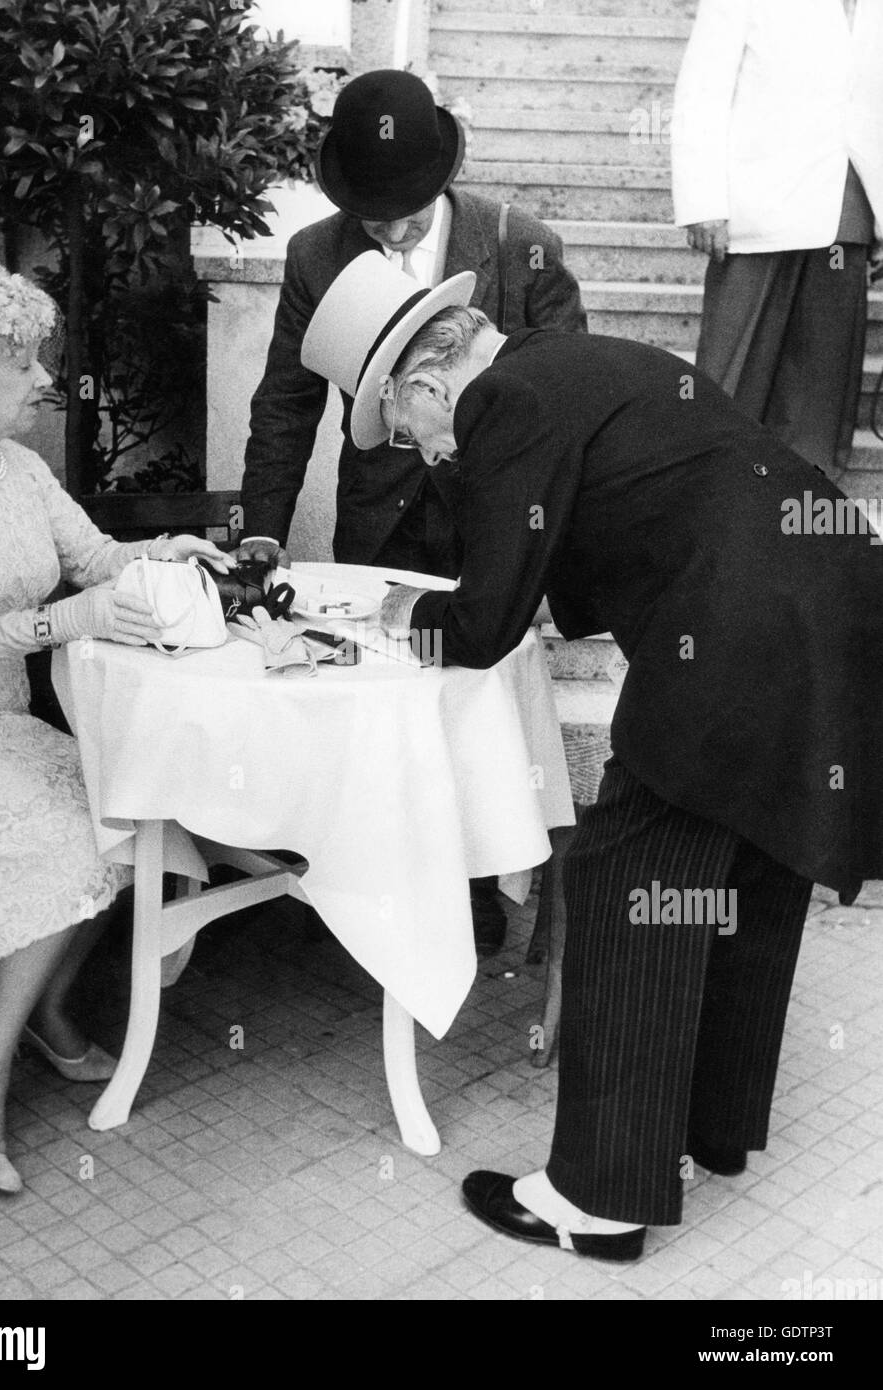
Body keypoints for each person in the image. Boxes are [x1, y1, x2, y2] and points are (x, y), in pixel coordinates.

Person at [300, 250, 883, 1260]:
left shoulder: (502, 404)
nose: (428, 456)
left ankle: (601, 1197)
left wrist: (391, 610)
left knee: (625, 871)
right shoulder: (568, 364)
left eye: (408, 430)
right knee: (747, 863)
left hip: (744, 629)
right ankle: (707, 1129)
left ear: (429, 381)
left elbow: (480, 624)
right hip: (832, 594)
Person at [0, 261, 234, 1193]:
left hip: (0, 725)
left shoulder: (24, 467)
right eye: (24, 361)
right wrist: (63, 623)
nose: (48, 377)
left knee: (134, 824)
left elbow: (97, 559)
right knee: (62, 844)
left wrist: (170, 551)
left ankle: (40, 1007)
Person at [239, 68, 586, 954]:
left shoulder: (522, 244)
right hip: (379, 519)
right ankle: (359, 881)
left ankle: (468, 887)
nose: (390, 231)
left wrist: (548, 552)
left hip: (494, 515)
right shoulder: (315, 254)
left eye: (410, 213)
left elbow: (563, 405)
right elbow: (286, 403)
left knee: (470, 692)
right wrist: (262, 530)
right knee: (379, 692)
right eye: (373, 216)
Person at [671, 0, 883, 476]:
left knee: (820, 390)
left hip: (849, 208)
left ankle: (801, 497)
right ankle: (708, 487)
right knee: (732, 375)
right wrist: (703, 201)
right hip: (758, 207)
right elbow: (702, 91)